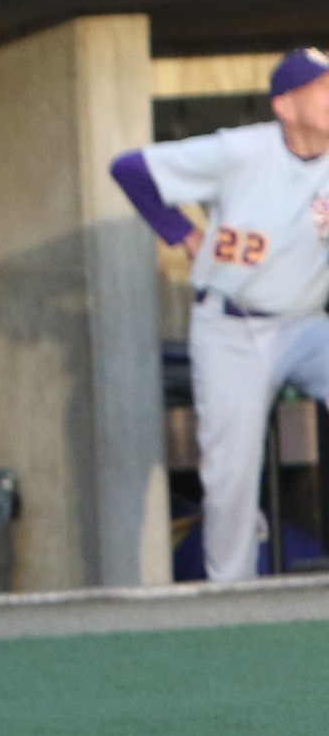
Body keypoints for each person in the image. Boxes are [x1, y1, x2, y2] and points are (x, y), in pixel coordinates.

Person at [110, 48, 329, 582]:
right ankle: (230, 598)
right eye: (323, 89)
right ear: (287, 105)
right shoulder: (240, 152)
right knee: (230, 475)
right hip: (229, 328)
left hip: (304, 326)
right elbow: (130, 169)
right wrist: (182, 234)